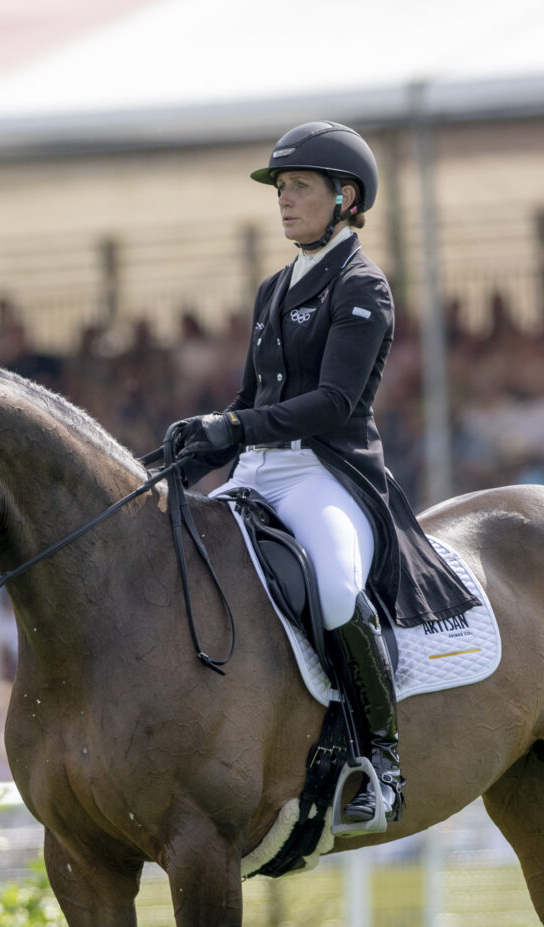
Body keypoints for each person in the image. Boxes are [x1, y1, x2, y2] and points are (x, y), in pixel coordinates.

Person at [159, 121, 476, 826]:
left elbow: (333, 402)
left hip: (325, 472)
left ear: (345, 198)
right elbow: (252, 399)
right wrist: (195, 450)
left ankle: (382, 762)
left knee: (335, 590)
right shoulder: (274, 288)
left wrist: (235, 427)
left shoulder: (362, 286)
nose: (284, 198)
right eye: (280, 187)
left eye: (299, 186)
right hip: (257, 470)